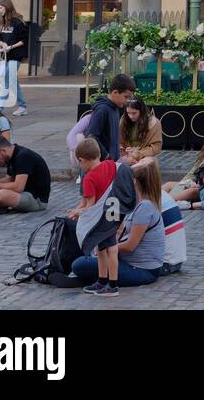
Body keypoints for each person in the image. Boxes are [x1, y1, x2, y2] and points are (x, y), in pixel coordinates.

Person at [73, 159, 166, 294]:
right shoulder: (134, 202)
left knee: (81, 264)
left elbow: (130, 246)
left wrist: (107, 248)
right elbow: (119, 231)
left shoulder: (145, 207)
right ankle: (97, 278)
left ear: (133, 182)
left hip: (142, 269)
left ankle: (100, 280)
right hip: (129, 261)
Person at [0, 135, 51, 214]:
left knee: (0, 195)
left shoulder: (23, 156)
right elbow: (8, 180)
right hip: (21, 194)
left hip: (36, 199)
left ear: (3, 151)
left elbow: (18, 187)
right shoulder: (11, 156)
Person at [86, 72, 135, 160]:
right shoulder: (102, 110)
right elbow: (91, 136)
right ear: (115, 92)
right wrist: (106, 156)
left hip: (111, 162)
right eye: (126, 97)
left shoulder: (115, 108)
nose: (127, 101)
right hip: (102, 165)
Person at [0, 0, 29, 115]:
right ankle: (22, 106)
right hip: (6, 56)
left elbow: (24, 40)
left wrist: (12, 46)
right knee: (12, 80)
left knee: (8, 79)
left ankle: (0, 105)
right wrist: (3, 44)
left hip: (16, 55)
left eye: (0, 8)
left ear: (7, 8)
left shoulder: (18, 22)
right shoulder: (2, 22)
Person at [70, 136, 117, 219]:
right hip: (115, 213)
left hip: (100, 218)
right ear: (99, 154)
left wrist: (78, 212)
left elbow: (90, 207)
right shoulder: (110, 164)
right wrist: (76, 210)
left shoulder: (89, 179)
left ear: (81, 160)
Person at [118, 98, 163, 168]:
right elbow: (119, 141)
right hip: (127, 156)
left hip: (145, 157)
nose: (131, 116)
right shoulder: (124, 120)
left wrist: (138, 153)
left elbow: (156, 146)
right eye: (128, 113)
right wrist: (124, 151)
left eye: (134, 113)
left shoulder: (153, 122)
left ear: (141, 111)